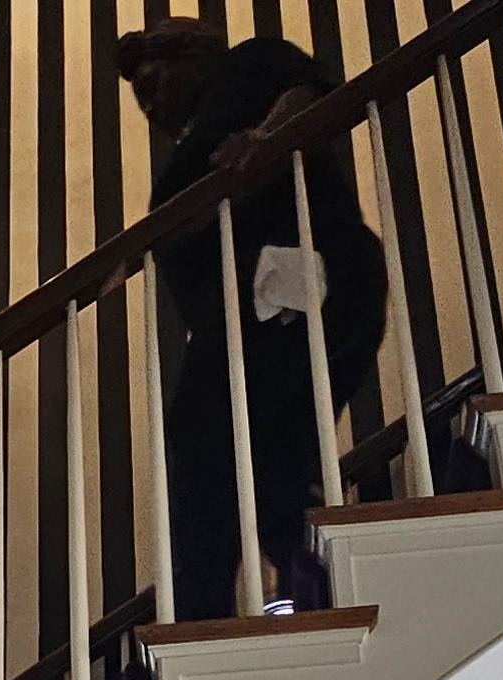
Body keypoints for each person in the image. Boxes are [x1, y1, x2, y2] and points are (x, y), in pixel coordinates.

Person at [119, 15, 390, 620]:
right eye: (140, 93)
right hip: (262, 305)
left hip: (299, 278)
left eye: (157, 80)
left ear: (199, 59)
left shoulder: (251, 64)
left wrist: (265, 140)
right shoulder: (192, 147)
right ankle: (316, 578)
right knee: (271, 461)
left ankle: (202, 610)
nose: (150, 102)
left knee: (203, 440)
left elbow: (312, 95)